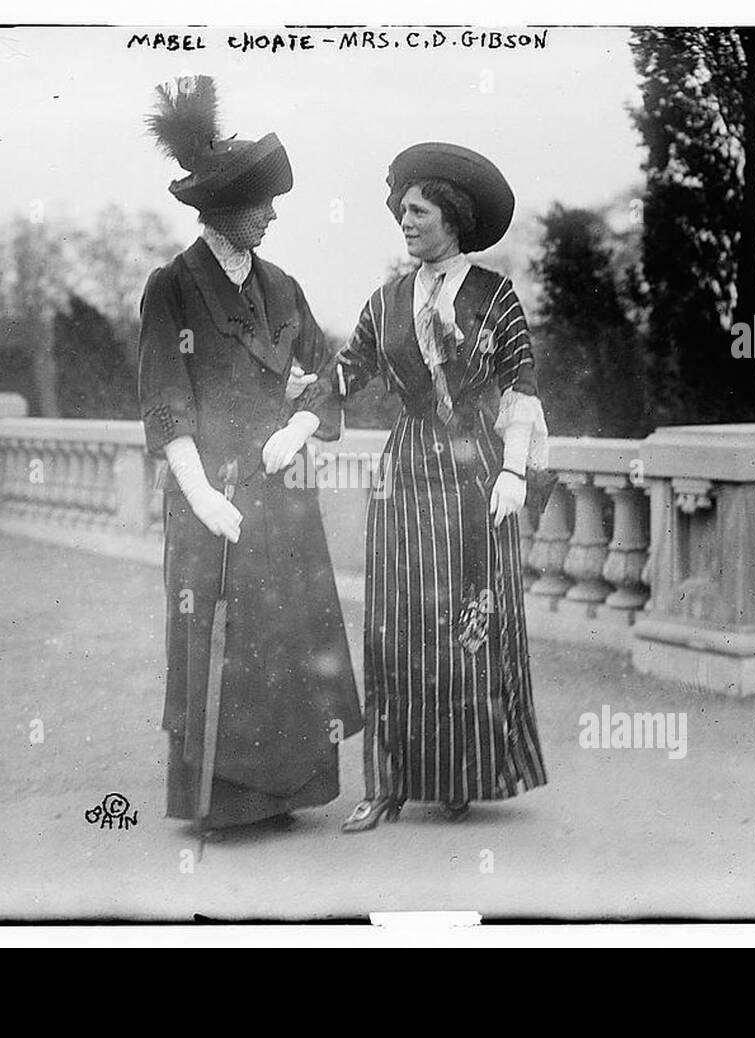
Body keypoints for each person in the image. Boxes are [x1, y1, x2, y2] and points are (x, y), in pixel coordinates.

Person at [137, 76, 361, 833]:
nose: (271, 214)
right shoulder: (171, 288)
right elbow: (165, 399)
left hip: (281, 486)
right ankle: (225, 805)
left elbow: (324, 379)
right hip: (213, 492)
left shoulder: (284, 286)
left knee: (287, 637)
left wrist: (297, 430)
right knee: (218, 642)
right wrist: (200, 495)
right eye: (259, 203)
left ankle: (286, 794)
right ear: (218, 211)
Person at [329, 142, 549, 832]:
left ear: (451, 216)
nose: (406, 220)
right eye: (401, 210)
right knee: (396, 625)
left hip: (476, 470)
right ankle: (386, 785)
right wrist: (298, 403)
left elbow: (520, 387)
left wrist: (515, 470)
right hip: (407, 469)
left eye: (418, 210)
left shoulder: (495, 296)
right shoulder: (386, 301)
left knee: (467, 621)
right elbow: (347, 371)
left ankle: (461, 771)